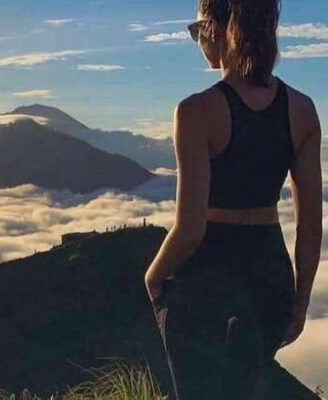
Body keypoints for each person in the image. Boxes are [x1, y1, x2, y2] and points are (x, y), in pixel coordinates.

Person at [143, 0, 323, 398]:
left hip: (205, 278)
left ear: (215, 29)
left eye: (196, 31)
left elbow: (190, 228)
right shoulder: (303, 111)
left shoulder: (196, 111)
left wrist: (154, 276)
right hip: (270, 277)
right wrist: (300, 298)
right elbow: (311, 224)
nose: (198, 41)